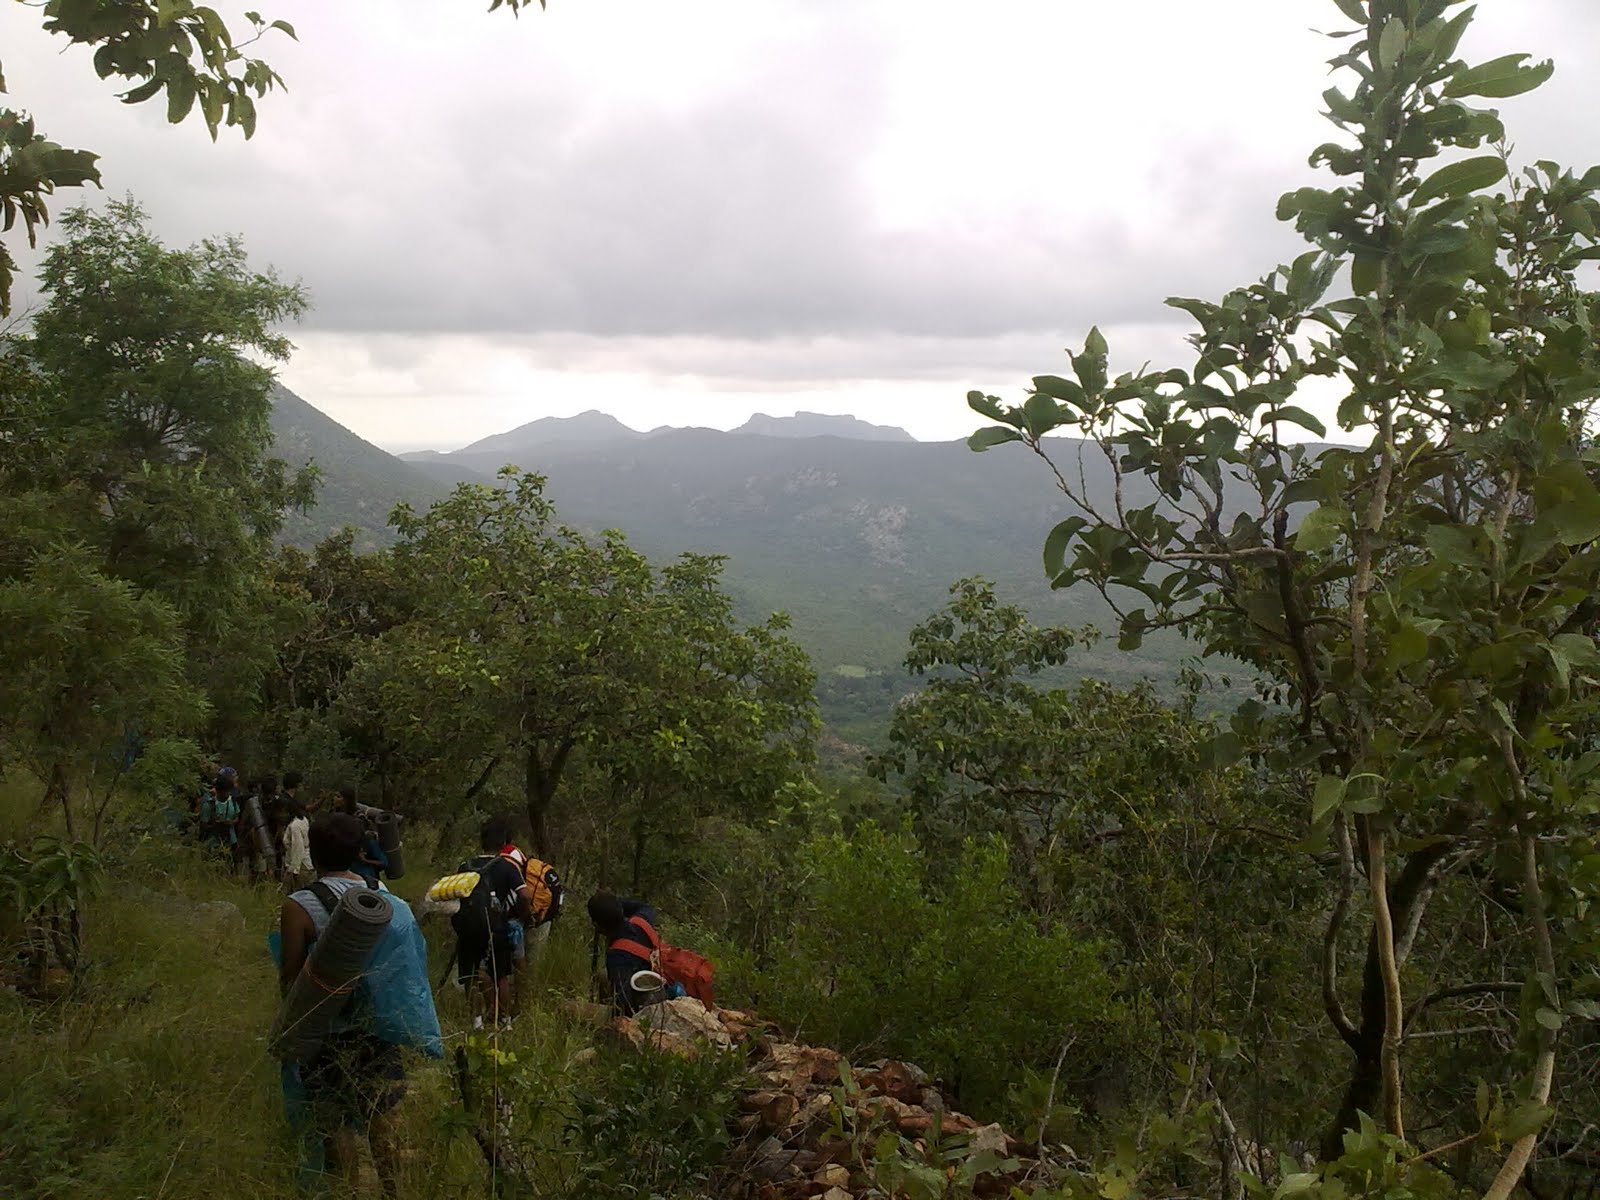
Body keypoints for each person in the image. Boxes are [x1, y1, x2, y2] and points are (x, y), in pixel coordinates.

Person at [277, 813, 434, 1199]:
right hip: (379, 1029)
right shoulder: (389, 903)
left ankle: (348, 1191)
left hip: (326, 1033)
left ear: (313, 851)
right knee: (384, 1116)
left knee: (334, 1121)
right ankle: (393, 1190)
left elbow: (292, 979)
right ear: (359, 852)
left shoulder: (299, 906)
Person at [451, 816, 531, 1025]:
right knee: (501, 976)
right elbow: (524, 895)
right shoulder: (507, 867)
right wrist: (522, 919)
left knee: (471, 974)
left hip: (468, 928)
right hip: (497, 927)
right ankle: (503, 1021)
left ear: (481, 840)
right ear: (503, 843)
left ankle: (476, 1021)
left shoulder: (464, 865)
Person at [587, 891, 663, 1015]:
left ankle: (607, 1032)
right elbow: (645, 907)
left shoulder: (617, 957)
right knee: (602, 976)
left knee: (567, 1009)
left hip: (644, 1011)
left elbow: (624, 1005)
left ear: (597, 926)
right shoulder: (641, 922)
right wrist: (614, 905)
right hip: (660, 986)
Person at [336, 787, 387, 884]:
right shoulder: (336, 817)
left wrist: (365, 860)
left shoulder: (368, 838)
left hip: (367, 880)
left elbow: (383, 863)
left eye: (338, 797)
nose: (334, 799)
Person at [199, 769, 241, 860]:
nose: (227, 794)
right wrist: (214, 825)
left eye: (228, 791)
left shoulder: (232, 802)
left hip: (231, 841)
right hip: (213, 844)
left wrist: (231, 822)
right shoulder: (209, 805)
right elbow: (203, 825)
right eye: (224, 792)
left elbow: (237, 817)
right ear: (218, 790)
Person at [282, 800, 313, 891]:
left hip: (301, 864)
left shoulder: (295, 826)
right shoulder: (303, 820)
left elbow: (298, 847)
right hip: (305, 861)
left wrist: (294, 870)